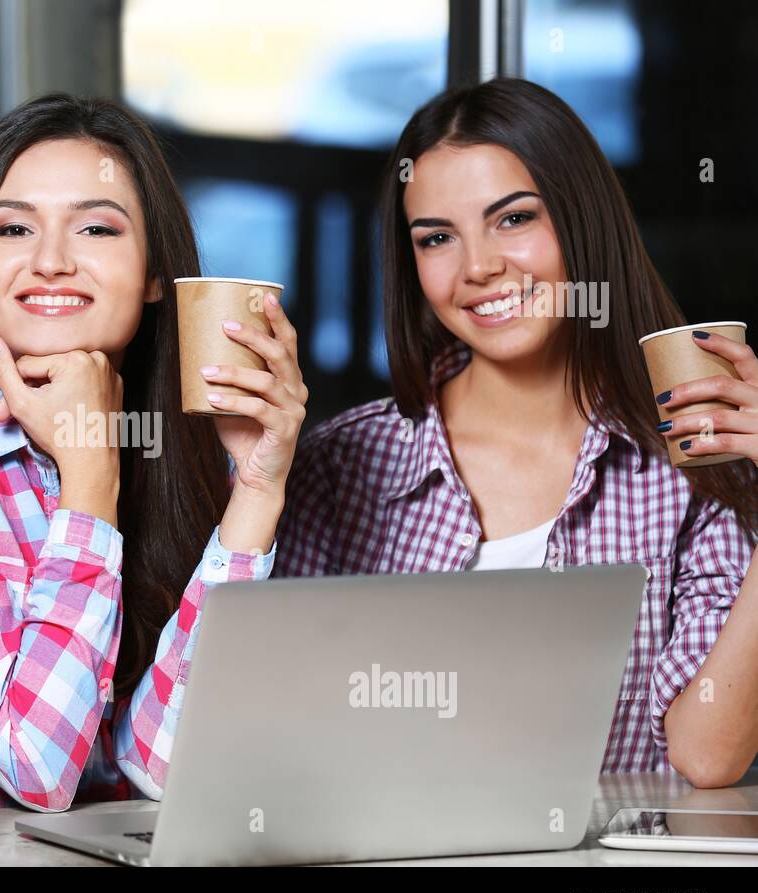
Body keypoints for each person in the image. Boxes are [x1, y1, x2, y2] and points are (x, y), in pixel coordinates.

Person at [278, 78, 758, 787]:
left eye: (513, 219)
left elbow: (708, 755)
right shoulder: (343, 463)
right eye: (437, 238)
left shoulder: (690, 460)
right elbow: (283, 738)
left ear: (582, 219)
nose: (478, 268)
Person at [0, 93, 307, 810]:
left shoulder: (165, 438)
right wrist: (91, 470)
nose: (50, 262)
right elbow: (36, 767)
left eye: (95, 227)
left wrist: (258, 488)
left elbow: (160, 769)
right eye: (14, 228)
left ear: (154, 275)